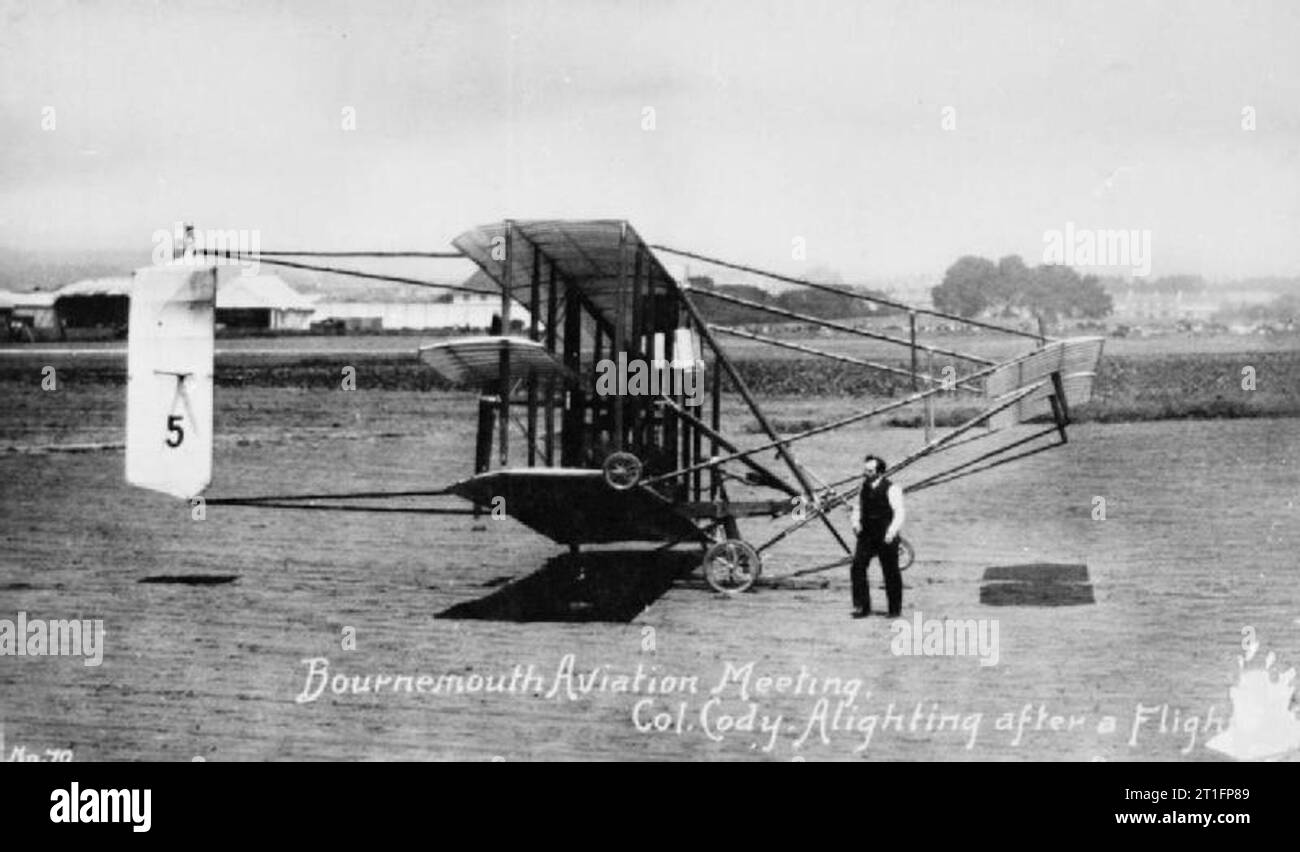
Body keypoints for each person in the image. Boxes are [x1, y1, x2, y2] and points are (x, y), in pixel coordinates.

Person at [846, 454, 906, 619]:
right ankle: (862, 607)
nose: (866, 473)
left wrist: (891, 533)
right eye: (865, 469)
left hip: (885, 534)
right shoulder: (862, 487)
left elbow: (899, 513)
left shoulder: (892, 488)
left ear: (880, 472)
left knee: (890, 571)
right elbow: (858, 508)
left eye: (870, 471)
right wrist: (855, 524)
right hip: (866, 534)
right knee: (857, 567)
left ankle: (894, 610)